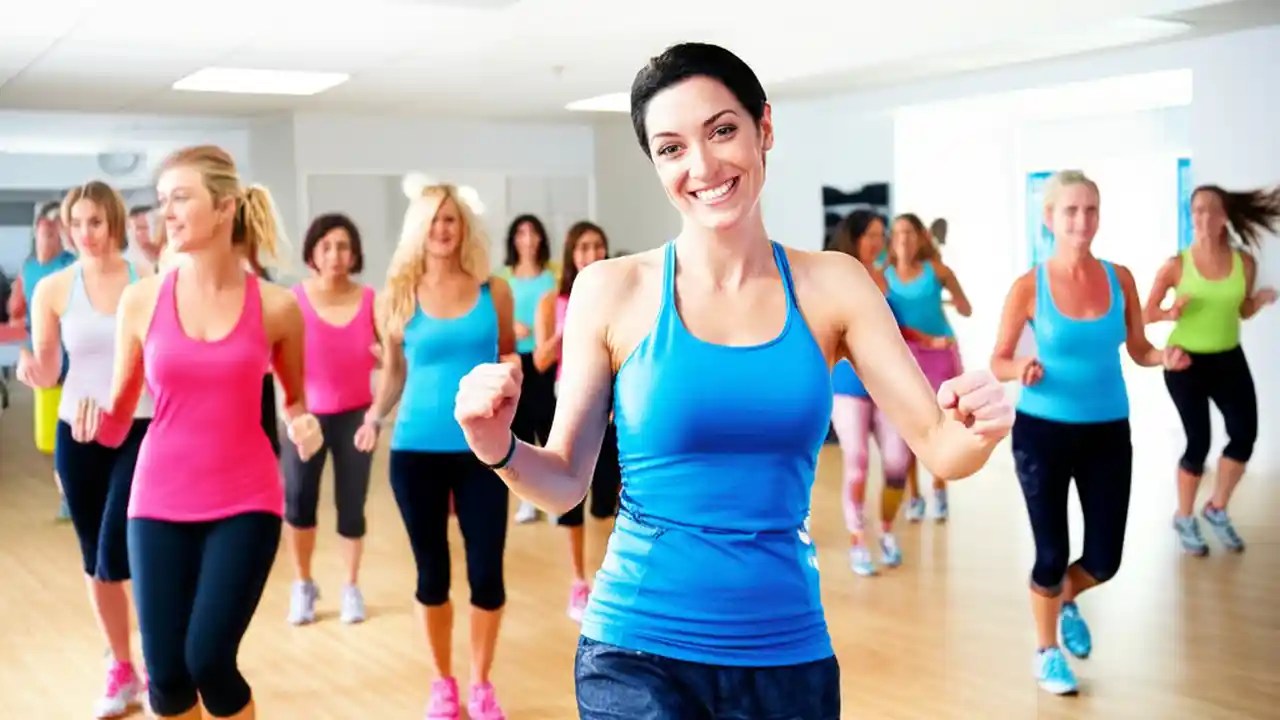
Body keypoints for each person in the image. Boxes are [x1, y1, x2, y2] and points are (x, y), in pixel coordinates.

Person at [453, 42, 1014, 719]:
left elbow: (941, 444)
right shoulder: (612, 291)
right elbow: (568, 479)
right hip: (637, 647)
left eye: (722, 130)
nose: (702, 166)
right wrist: (496, 445)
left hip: (786, 650)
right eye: (671, 148)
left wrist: (980, 425)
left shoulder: (834, 285)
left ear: (764, 129)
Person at [75, 144, 321, 720]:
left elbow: (295, 402)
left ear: (226, 207)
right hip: (158, 499)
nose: (169, 214)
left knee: (209, 659)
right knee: (166, 678)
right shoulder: (141, 301)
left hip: (246, 500)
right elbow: (118, 421)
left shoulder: (279, 307)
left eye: (181, 198)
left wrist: (306, 427)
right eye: (163, 202)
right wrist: (93, 426)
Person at [991, 170, 1189, 696]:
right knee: (1051, 553)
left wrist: (1163, 356)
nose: (1082, 220)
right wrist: (1021, 370)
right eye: (1071, 210)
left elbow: (1139, 349)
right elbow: (999, 359)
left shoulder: (1119, 277)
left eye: (1091, 210)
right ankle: (1046, 650)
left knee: (1105, 558)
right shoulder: (1027, 287)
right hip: (1042, 435)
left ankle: (1067, 598)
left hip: (1107, 431)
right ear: (1050, 218)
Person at [360, 183, 515, 720]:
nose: (443, 229)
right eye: (434, 221)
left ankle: (482, 684)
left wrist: (510, 403)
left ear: (463, 228)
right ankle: (443, 683)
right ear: (419, 230)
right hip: (416, 450)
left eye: (451, 220)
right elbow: (394, 376)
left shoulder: (493, 291)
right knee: (432, 573)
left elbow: (510, 363)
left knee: (487, 571)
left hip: (484, 453)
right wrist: (373, 417)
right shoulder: (398, 296)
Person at [16, 181, 155, 717]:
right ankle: (122, 669)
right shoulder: (54, 288)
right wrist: (32, 370)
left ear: (114, 222)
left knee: (125, 548)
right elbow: (51, 371)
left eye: (96, 222)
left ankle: (158, 656)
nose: (86, 234)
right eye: (78, 224)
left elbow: (161, 364)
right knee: (95, 560)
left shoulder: (147, 281)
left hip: (138, 429)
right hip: (79, 432)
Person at [1143, 184, 1278, 555]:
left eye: (1209, 211)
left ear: (1223, 219)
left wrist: (1259, 301)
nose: (1201, 217)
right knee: (1198, 442)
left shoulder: (1243, 263)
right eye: (1195, 210)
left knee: (1244, 436)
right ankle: (1184, 517)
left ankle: (1216, 508)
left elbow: (1241, 310)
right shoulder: (1176, 265)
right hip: (1185, 361)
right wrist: (1170, 313)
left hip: (1228, 357)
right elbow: (1145, 313)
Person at [284, 213, 379, 626]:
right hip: (306, 417)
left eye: (343, 246)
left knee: (351, 504)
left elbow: (392, 357)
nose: (336, 254)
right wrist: (293, 413)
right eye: (327, 246)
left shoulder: (371, 299)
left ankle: (351, 586)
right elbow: (280, 360)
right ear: (313, 254)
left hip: (356, 416)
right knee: (299, 503)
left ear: (354, 253)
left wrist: (383, 359)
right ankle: (303, 584)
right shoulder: (294, 300)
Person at [532, 220, 620, 620]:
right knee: (570, 497)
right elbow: (541, 360)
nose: (592, 254)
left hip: (610, 407)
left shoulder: (617, 295)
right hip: (566, 403)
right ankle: (577, 581)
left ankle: (604, 578)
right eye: (583, 247)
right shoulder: (553, 302)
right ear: (571, 254)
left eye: (598, 246)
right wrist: (565, 332)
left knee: (607, 498)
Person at [828, 210, 914, 576]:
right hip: (847, 387)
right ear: (855, 237)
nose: (880, 242)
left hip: (886, 387)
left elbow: (899, 333)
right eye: (873, 235)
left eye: (883, 234)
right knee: (858, 461)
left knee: (897, 463)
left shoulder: (886, 278)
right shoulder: (836, 276)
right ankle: (858, 540)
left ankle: (887, 530)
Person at [886, 212, 972, 523]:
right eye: (897, 234)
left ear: (920, 236)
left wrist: (951, 291)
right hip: (907, 358)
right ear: (892, 241)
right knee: (909, 429)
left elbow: (966, 308)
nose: (903, 239)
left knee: (940, 425)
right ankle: (915, 496)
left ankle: (938, 487)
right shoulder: (885, 276)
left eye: (908, 232)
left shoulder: (937, 270)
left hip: (940, 356)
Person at [10, 201, 78, 518]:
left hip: (73, 358)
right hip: (42, 356)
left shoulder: (70, 263)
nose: (49, 238)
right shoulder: (28, 269)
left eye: (55, 232)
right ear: (36, 233)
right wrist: (24, 348)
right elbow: (18, 314)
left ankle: (71, 498)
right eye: (45, 232)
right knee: (48, 437)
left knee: (72, 428)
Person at [500, 214, 558, 525]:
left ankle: (553, 497)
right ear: (513, 239)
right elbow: (493, 319)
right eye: (521, 232)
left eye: (533, 232)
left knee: (549, 429)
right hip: (514, 362)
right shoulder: (503, 279)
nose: (527, 238)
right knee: (520, 434)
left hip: (546, 362)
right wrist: (511, 326)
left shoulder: (553, 277)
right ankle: (527, 501)